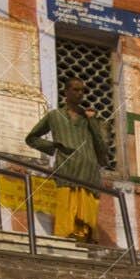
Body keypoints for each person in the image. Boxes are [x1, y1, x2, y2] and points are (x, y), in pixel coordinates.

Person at [24, 78, 107, 241]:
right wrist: (53, 146)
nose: (80, 93)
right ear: (66, 92)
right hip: (66, 170)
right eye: (76, 90)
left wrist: (93, 122)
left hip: (88, 174)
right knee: (66, 218)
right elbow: (31, 138)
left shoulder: (89, 118)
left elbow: (102, 150)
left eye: (82, 90)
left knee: (87, 224)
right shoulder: (55, 116)